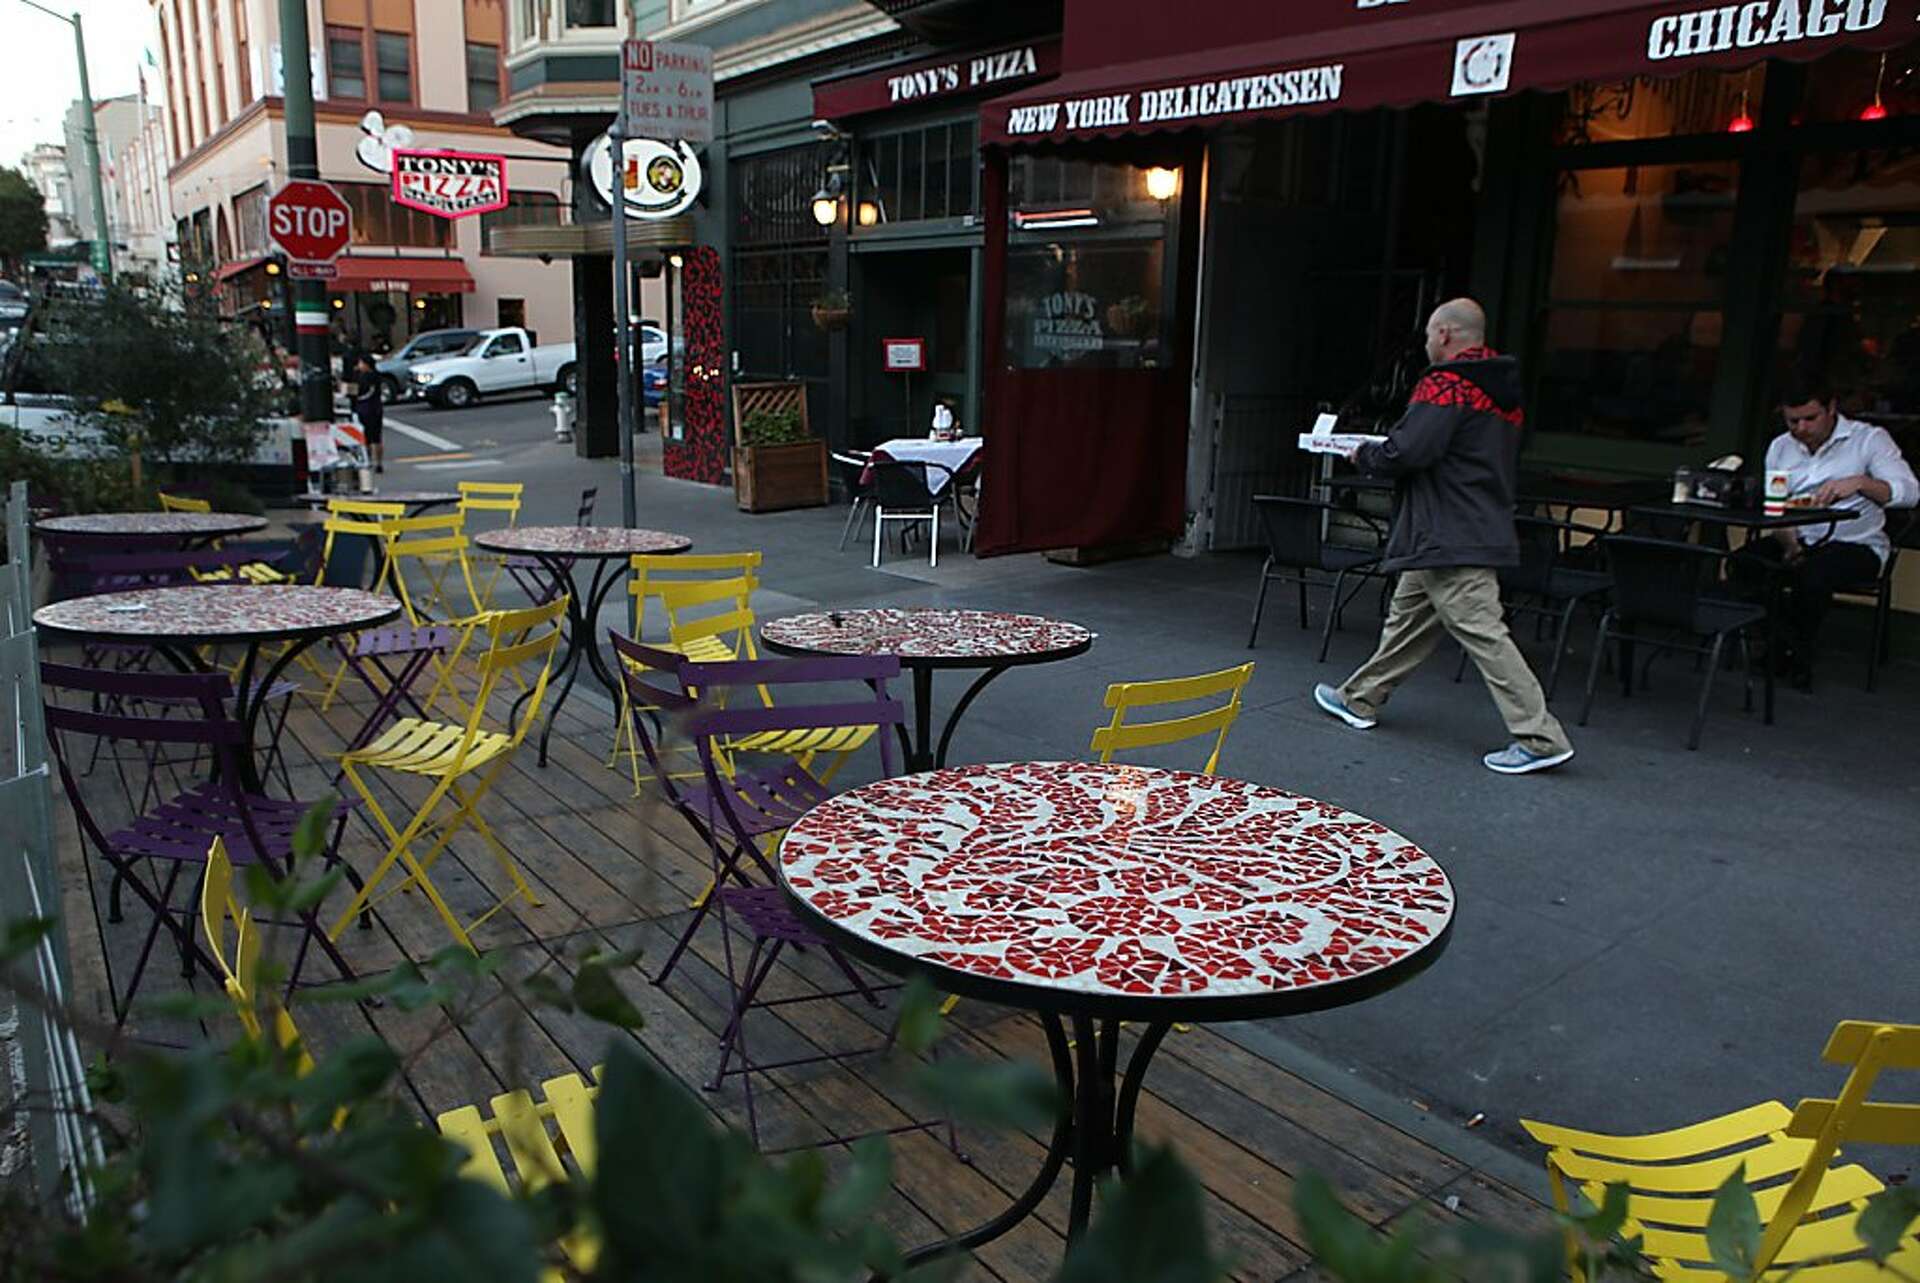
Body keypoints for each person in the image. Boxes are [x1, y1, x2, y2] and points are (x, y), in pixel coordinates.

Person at [1312, 298, 1575, 776]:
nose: (1428, 344)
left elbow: (1410, 450)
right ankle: (1360, 698)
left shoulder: (1446, 384)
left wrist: (1365, 454)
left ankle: (1539, 736)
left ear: (1447, 335)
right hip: (1472, 521)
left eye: (1431, 335)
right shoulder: (1502, 393)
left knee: (1483, 631)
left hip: (1445, 528)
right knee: (1408, 617)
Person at [1742, 371, 1917, 688]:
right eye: (1793, 421)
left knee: (1813, 575)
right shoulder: (1781, 447)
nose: (1801, 429)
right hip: (1796, 536)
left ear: (1831, 408)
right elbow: (1775, 505)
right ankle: (1783, 643)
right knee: (1744, 564)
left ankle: (1790, 653)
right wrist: (1789, 542)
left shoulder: (1868, 440)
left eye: (1810, 418)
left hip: (1855, 543)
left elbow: (1910, 492)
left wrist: (1862, 483)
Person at [351, 353, 385, 473]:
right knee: (376, 437)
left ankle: (369, 460)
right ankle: (378, 462)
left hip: (366, 407)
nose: (359, 365)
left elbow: (358, 392)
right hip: (376, 407)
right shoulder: (376, 375)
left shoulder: (365, 377)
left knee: (367, 437)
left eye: (361, 363)